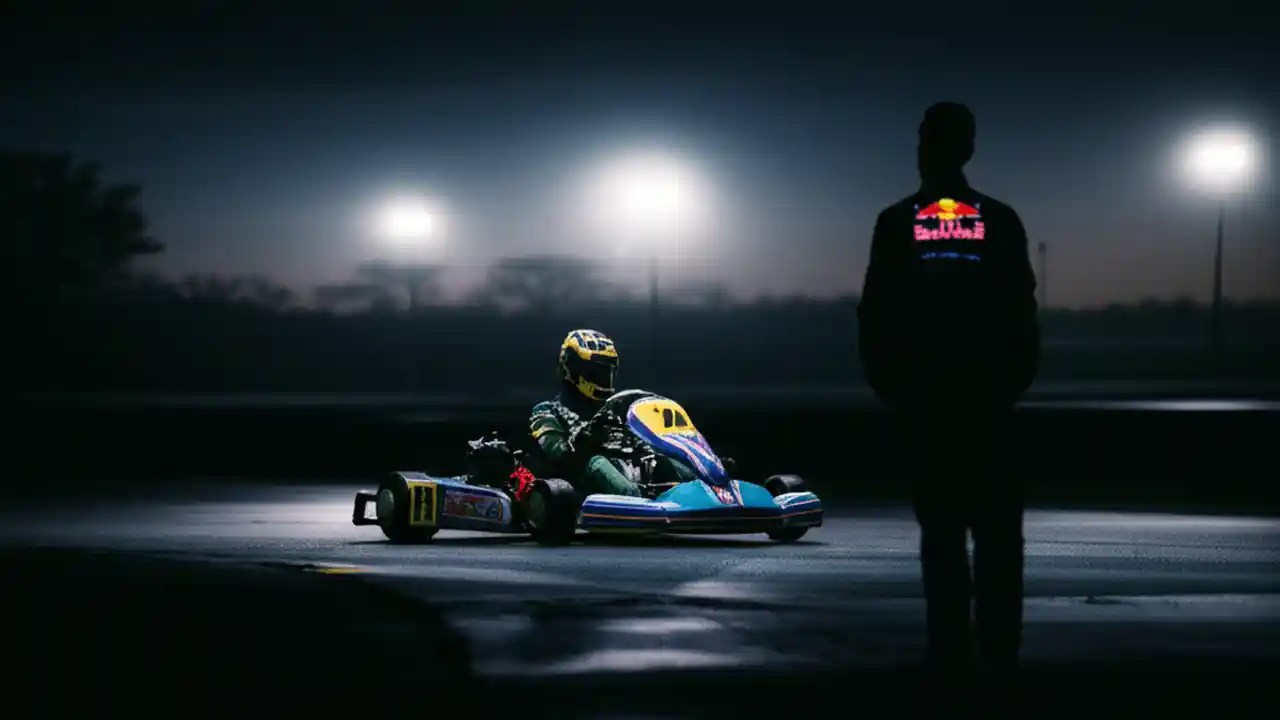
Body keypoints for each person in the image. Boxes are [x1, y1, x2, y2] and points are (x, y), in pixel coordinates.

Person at [857, 102, 1040, 705]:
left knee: (941, 537)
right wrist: (1010, 380)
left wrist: (893, 384)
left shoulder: (896, 221)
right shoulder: (1001, 220)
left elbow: (876, 312)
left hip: (929, 405)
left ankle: (951, 654)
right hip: (987, 404)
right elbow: (1022, 310)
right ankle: (1001, 656)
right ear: (969, 149)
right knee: (997, 538)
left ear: (926, 146)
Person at [527, 329, 644, 497]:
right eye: (596, 372)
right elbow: (557, 453)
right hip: (579, 480)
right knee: (599, 463)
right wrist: (585, 439)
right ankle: (638, 504)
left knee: (661, 460)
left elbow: (639, 442)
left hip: (626, 469)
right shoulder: (547, 411)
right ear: (572, 370)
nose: (603, 378)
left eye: (607, 372)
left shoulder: (615, 412)